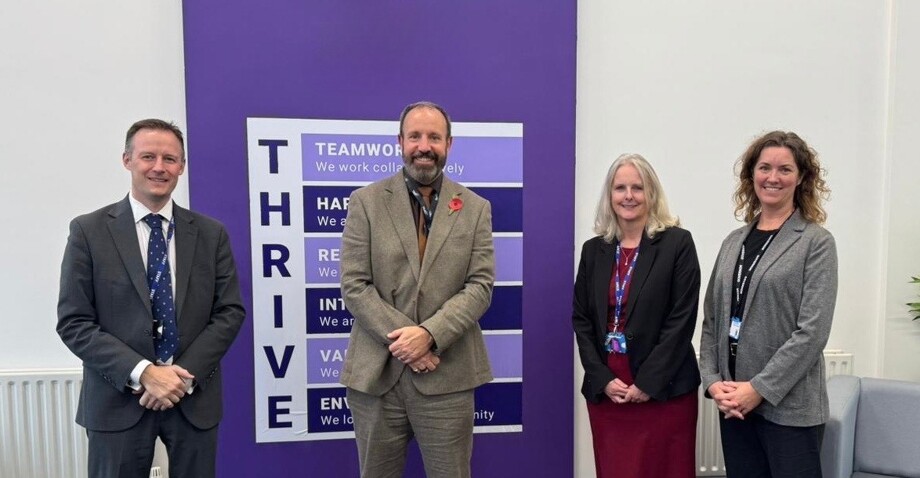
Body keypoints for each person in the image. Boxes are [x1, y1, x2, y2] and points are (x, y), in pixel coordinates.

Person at [57, 119, 246, 478]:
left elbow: (229, 312)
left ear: (182, 166)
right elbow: (74, 322)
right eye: (148, 156)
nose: (159, 167)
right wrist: (144, 373)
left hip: (191, 399)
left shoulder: (211, 234)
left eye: (170, 159)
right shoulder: (88, 231)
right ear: (127, 160)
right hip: (116, 400)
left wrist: (179, 379)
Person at [339, 101, 495, 478]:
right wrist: (408, 342)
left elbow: (480, 286)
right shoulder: (366, 202)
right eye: (415, 136)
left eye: (434, 137)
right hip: (377, 377)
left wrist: (430, 335)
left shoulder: (475, 208)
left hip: (448, 377)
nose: (424, 146)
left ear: (449, 144)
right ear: (400, 141)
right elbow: (354, 285)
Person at [699, 131, 837, 478]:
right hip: (735, 405)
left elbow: (812, 332)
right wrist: (713, 381)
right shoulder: (733, 242)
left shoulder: (816, 242)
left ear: (801, 178)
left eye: (785, 169)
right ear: (752, 175)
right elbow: (713, 319)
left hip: (790, 410)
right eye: (764, 168)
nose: (773, 177)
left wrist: (758, 389)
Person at [572, 153, 701, 478]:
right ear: (610, 195)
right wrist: (601, 377)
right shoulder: (593, 250)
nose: (628, 196)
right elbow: (582, 320)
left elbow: (681, 320)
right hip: (609, 392)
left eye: (638, 188)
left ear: (651, 193)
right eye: (620, 188)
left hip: (664, 391)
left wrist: (648, 382)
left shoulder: (677, 244)